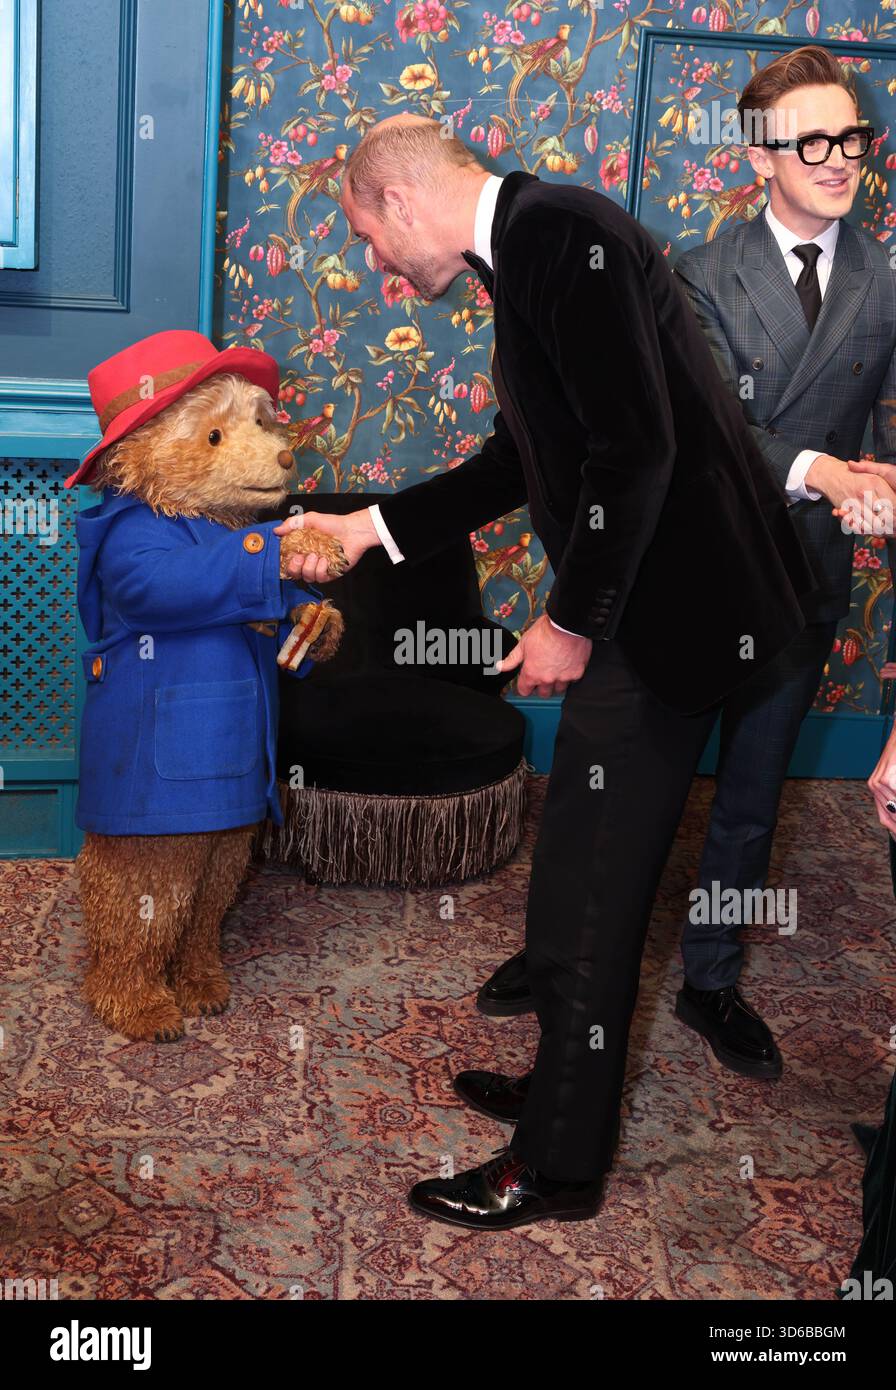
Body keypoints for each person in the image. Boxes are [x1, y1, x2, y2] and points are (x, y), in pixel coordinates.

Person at [278, 113, 815, 1231]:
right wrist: (359, 530)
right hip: (641, 613)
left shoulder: (558, 236)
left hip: (673, 619)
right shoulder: (525, 247)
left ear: (398, 200)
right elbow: (514, 462)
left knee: (591, 889)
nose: (377, 270)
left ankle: (559, 1163)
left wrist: (569, 621)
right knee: (573, 870)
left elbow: (637, 449)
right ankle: (565, 1092)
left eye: (369, 242)